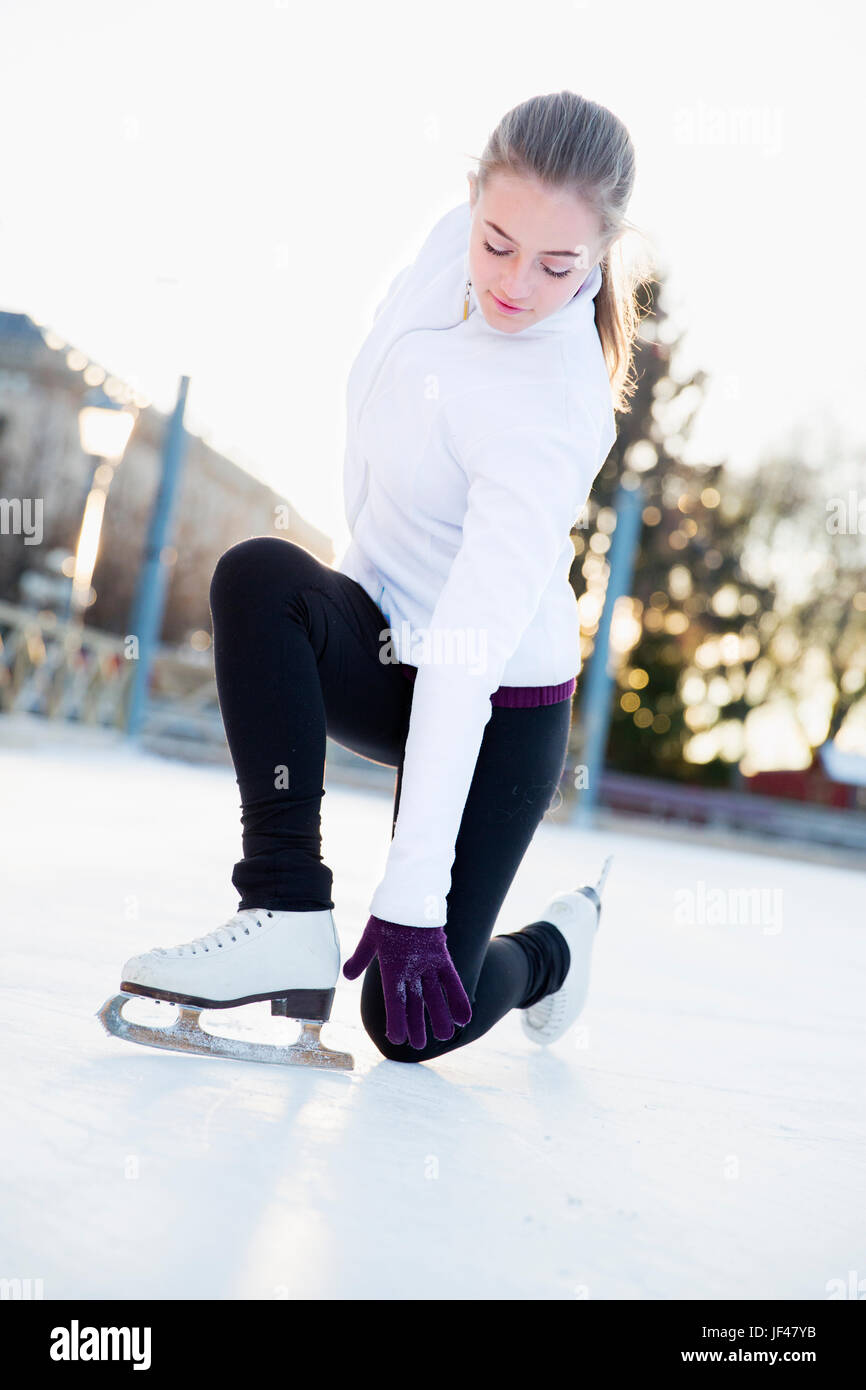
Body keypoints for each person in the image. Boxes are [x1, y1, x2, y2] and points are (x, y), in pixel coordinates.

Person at [116, 90, 644, 1065]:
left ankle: (549, 951)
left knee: (407, 1026)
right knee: (261, 576)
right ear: (473, 201)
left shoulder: (553, 411)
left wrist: (408, 895)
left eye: (556, 264)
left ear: (602, 254)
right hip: (382, 630)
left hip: (498, 702)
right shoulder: (451, 244)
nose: (514, 283)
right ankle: (281, 908)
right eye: (496, 242)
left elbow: (464, 659)